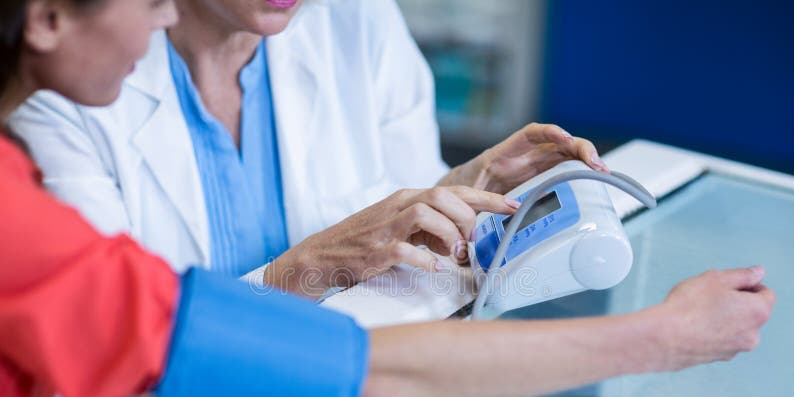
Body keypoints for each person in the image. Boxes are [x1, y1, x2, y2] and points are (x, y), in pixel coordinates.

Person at [0, 0, 775, 397]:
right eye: (148, 0)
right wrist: (661, 338)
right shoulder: (27, 202)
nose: (165, 9)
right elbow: (352, 373)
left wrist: (453, 198)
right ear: (48, 19)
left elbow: (390, 267)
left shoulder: (348, 22)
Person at [10, 0, 609, 298]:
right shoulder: (72, 79)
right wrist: (302, 271)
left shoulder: (356, 20)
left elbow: (407, 238)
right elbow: (116, 338)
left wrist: (468, 186)